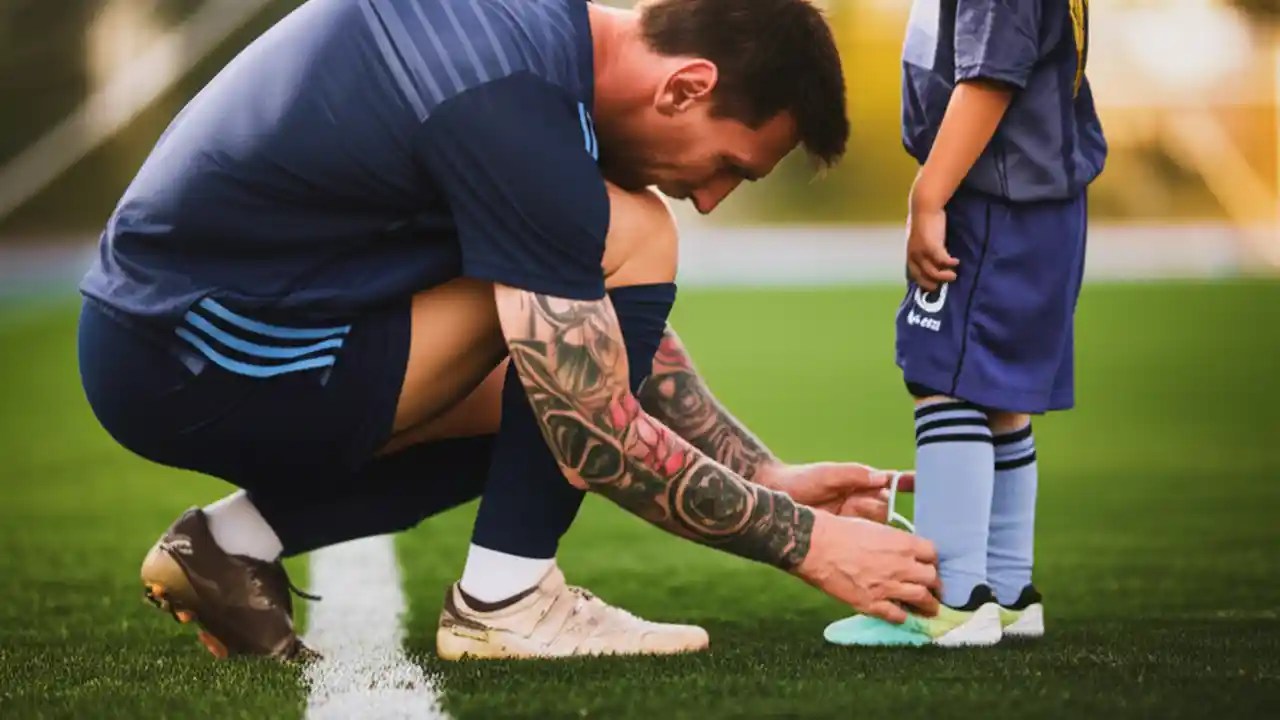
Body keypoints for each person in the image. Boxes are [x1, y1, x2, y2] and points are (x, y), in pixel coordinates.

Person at [77, 0, 939, 662]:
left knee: (575, 325)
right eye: (727, 166)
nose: (711, 197)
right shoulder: (517, 102)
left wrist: (764, 472)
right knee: (634, 238)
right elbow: (590, 419)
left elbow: (578, 327)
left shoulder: (526, 44)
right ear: (687, 86)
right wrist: (809, 543)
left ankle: (229, 546)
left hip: (186, 334)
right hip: (199, 353)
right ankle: (507, 601)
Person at [824, 0, 1107, 647]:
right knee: (999, 392)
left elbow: (991, 75)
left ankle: (949, 599)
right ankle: (1006, 594)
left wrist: (930, 192)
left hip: (992, 201)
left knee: (942, 377)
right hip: (1044, 206)